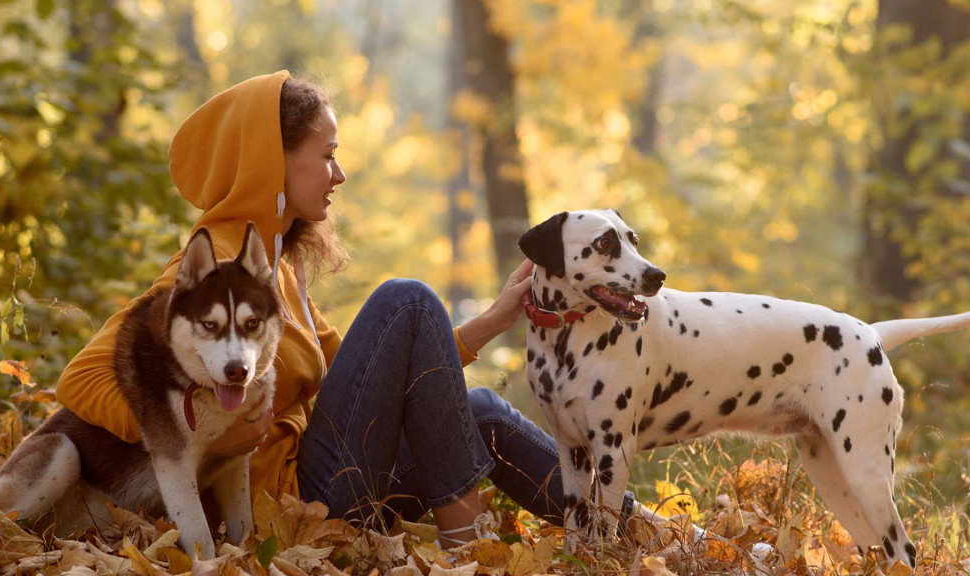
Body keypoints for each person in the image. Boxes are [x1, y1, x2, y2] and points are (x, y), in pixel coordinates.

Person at [56, 70, 637, 548]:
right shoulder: (214, 267)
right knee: (404, 298)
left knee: (481, 411)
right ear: (271, 161)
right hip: (285, 506)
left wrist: (495, 319)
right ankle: (467, 545)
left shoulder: (277, 267)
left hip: (324, 476)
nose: (339, 174)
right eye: (327, 155)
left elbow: (370, 379)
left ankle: (628, 526)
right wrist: (201, 432)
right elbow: (79, 380)